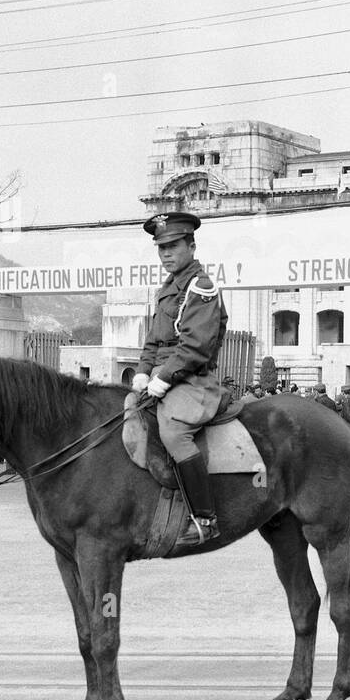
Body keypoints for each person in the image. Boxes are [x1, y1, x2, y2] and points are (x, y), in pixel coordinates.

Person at [133, 209, 230, 546]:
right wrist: (143, 372)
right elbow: (153, 339)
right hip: (164, 376)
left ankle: (205, 518)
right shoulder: (167, 289)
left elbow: (196, 346)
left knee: (174, 434)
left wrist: (162, 377)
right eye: (162, 248)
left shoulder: (200, 287)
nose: (166, 253)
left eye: (173, 245)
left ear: (191, 245)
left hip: (192, 380)